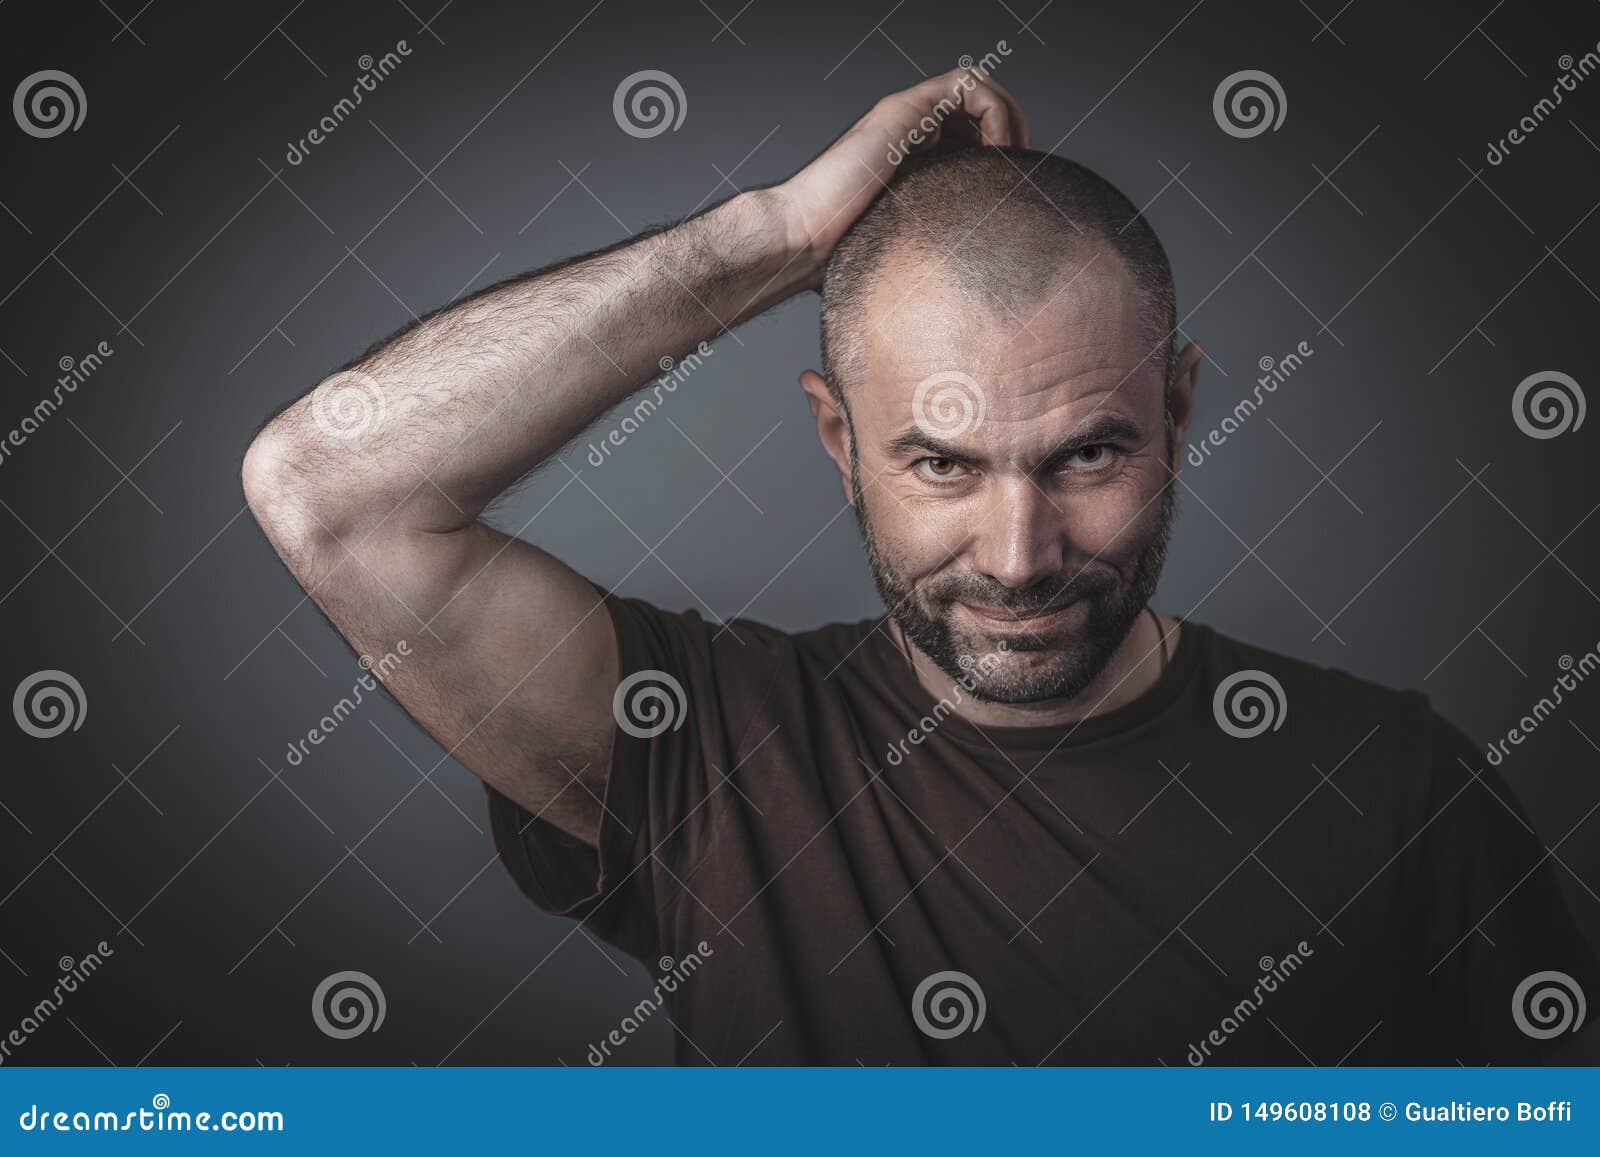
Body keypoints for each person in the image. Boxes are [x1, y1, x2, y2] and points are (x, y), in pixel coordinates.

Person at [242, 67, 1597, 1064]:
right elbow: (328, 489)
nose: (1018, 557)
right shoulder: (697, 746)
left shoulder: (1401, 791)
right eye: (943, 464)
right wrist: (776, 238)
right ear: (840, 443)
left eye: (1088, 455)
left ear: (1181, 412)